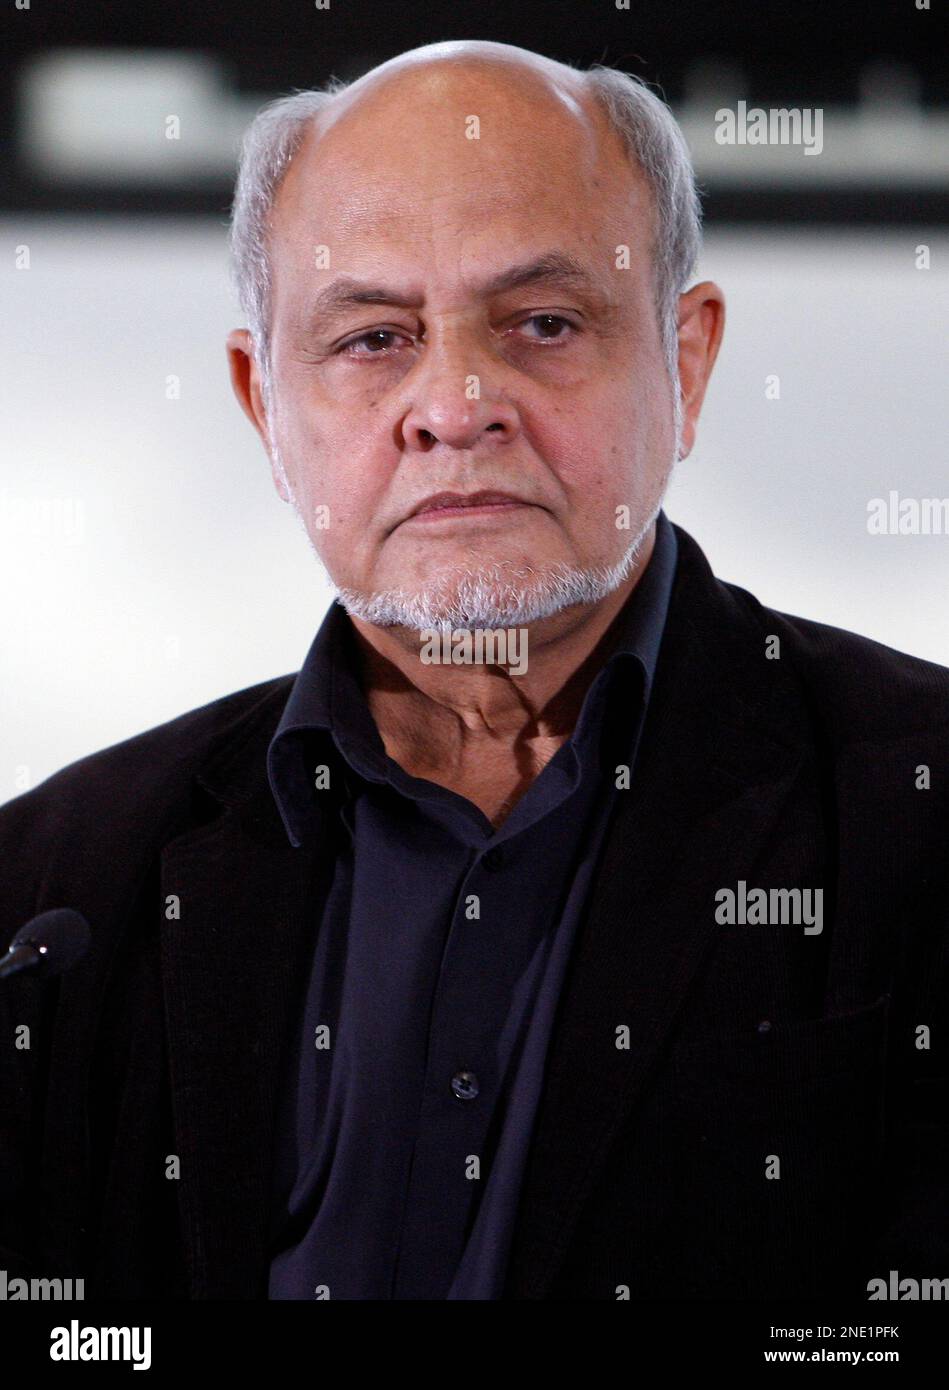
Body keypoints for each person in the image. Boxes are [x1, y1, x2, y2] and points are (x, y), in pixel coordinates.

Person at [1, 40, 946, 1301]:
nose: (454, 402)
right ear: (260, 405)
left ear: (687, 361)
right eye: (374, 337)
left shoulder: (918, 811)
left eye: (542, 323)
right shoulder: (52, 891)